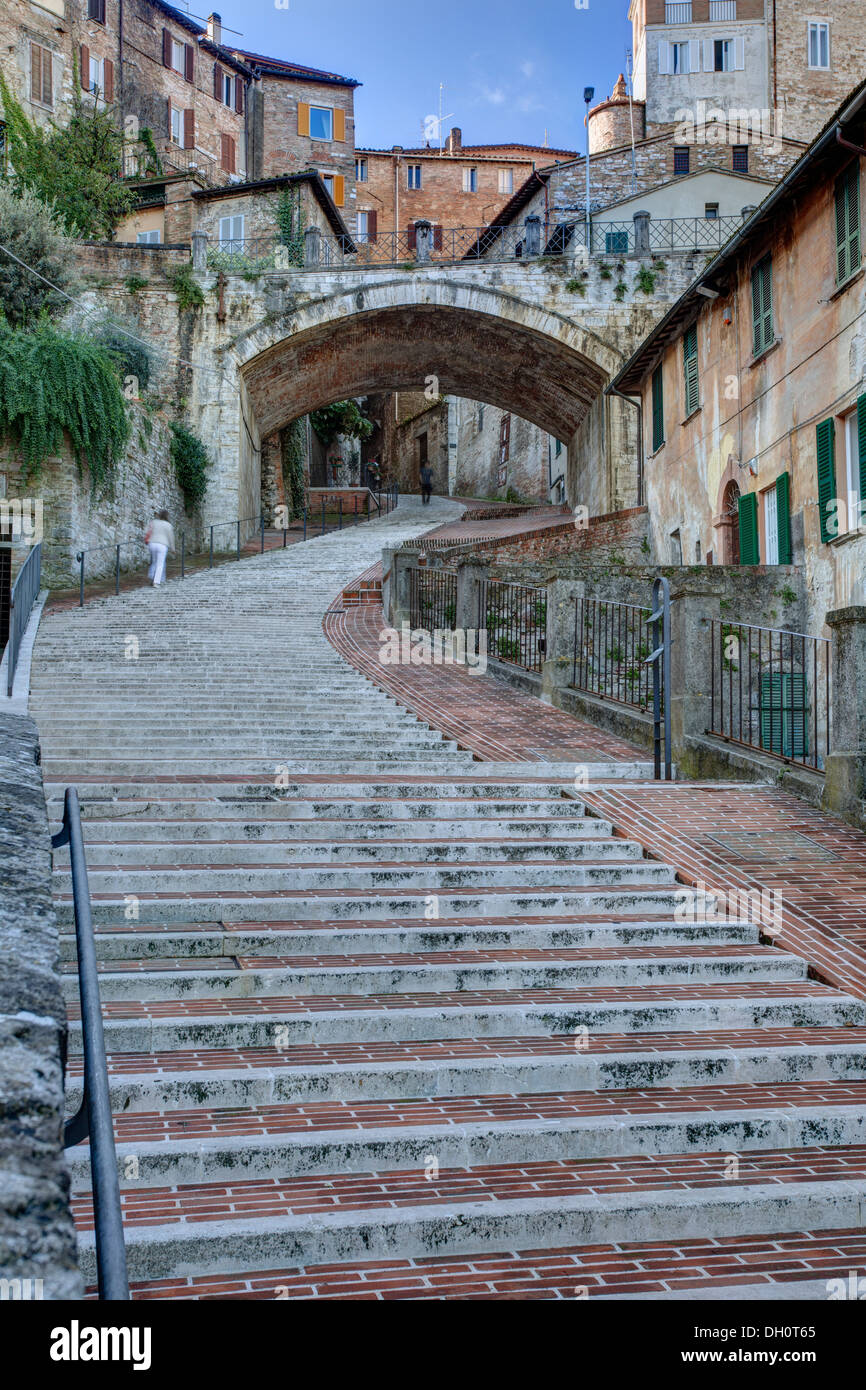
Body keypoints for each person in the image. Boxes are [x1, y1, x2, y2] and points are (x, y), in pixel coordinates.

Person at [145, 509, 174, 586]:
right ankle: (156, 581)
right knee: (160, 564)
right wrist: (173, 548)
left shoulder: (154, 522)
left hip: (152, 543)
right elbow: (171, 537)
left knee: (154, 562)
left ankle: (151, 577)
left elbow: (147, 531)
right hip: (162, 545)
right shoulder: (168, 525)